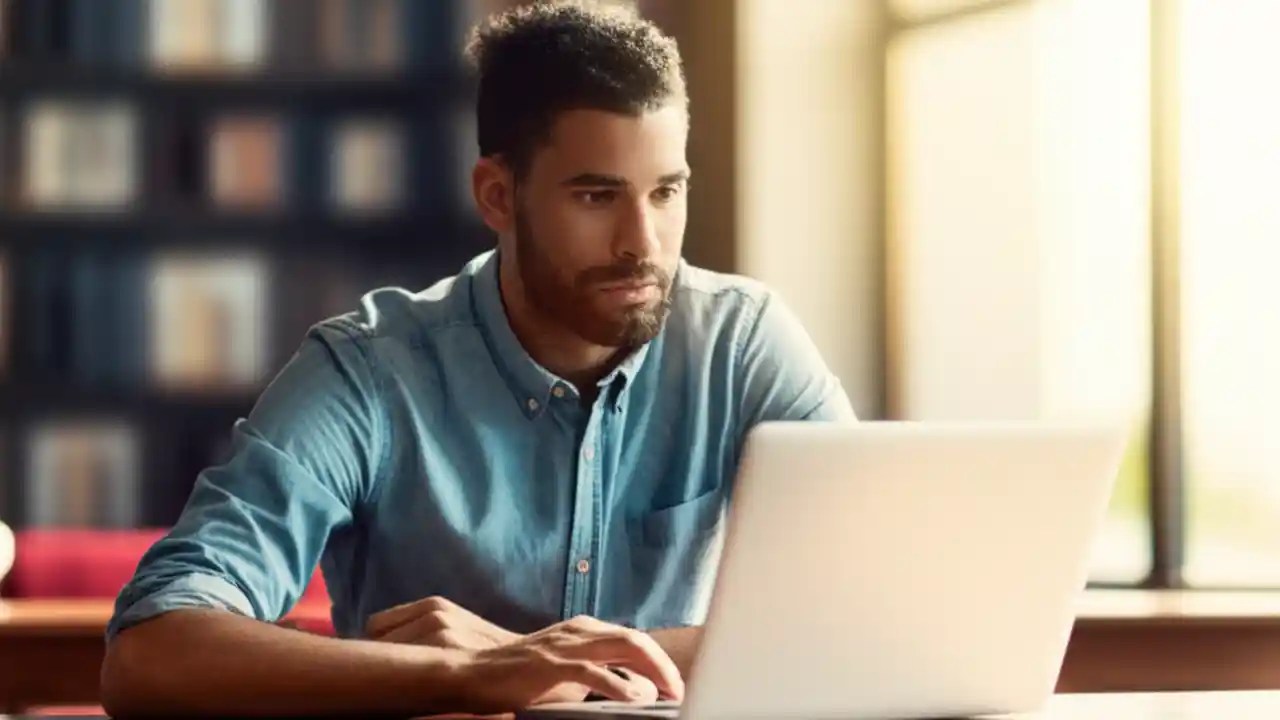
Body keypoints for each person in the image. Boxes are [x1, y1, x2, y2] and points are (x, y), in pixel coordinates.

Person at [101, 2, 855, 716]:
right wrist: (466, 675)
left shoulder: (742, 341)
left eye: (666, 192)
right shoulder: (367, 371)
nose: (643, 242)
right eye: (597, 197)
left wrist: (548, 663)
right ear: (497, 195)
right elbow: (150, 654)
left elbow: (868, 611)